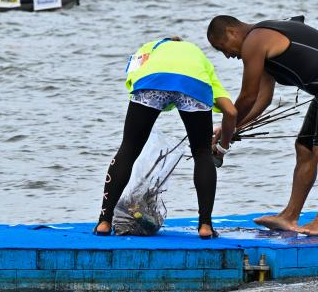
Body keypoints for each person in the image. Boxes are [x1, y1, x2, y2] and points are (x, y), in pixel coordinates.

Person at [207, 15, 318, 236]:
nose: (228, 55)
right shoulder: (259, 43)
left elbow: (247, 97)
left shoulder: (255, 40)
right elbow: (262, 99)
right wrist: (229, 129)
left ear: (232, 32)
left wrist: (226, 135)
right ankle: (289, 217)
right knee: (304, 148)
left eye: (223, 47)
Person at [94, 37, 237, 239]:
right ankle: (205, 225)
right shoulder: (199, 57)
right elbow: (231, 112)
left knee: (129, 148)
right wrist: (222, 148)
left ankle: (104, 221)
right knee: (202, 153)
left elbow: (132, 76)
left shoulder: (149, 48)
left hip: (152, 81)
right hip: (192, 85)